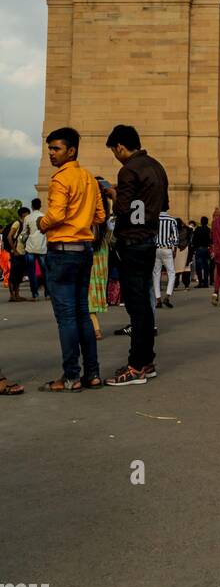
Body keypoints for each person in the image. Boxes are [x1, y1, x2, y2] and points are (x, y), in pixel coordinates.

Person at [37, 127, 105, 391]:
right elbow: (100, 216)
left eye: (56, 148)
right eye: (50, 149)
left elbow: (55, 215)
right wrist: (82, 219)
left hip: (62, 251)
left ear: (71, 150)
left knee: (66, 317)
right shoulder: (89, 178)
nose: (51, 154)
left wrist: (42, 224)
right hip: (84, 250)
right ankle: (93, 374)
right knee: (82, 315)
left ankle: (71, 377)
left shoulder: (60, 179)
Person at [103, 125, 168, 386]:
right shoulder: (157, 167)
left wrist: (112, 192)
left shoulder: (128, 169)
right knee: (145, 304)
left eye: (114, 151)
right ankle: (146, 361)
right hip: (149, 241)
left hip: (131, 243)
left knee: (136, 307)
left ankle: (136, 366)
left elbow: (122, 208)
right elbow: (163, 205)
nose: (116, 156)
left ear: (120, 146)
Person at [88, 217, 111, 341]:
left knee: (86, 301)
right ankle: (95, 329)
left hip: (87, 270)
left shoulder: (87, 228)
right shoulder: (103, 236)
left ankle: (95, 330)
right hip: (99, 272)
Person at [24, 197, 49, 300]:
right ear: (40, 206)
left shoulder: (27, 218)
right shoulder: (44, 217)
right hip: (42, 247)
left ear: (32, 206)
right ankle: (48, 294)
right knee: (45, 272)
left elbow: (24, 233)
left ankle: (35, 295)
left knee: (32, 272)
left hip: (30, 247)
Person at [153, 210, 178, 309]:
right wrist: (174, 250)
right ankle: (167, 296)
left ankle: (158, 299)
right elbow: (176, 238)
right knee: (171, 273)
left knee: (156, 274)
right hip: (167, 249)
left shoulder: (155, 220)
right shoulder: (172, 220)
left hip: (156, 249)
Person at [7, 207, 30, 302]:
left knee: (19, 275)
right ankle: (12, 296)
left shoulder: (25, 225)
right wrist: (14, 250)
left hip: (22, 253)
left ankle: (17, 294)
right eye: (27, 214)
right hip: (16, 253)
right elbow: (9, 237)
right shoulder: (17, 223)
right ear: (23, 214)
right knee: (13, 275)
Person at [193, 216, 212, 287]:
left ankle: (200, 282)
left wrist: (195, 247)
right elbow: (210, 239)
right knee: (206, 266)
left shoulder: (197, 229)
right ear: (207, 222)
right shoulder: (209, 230)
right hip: (206, 249)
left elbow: (194, 239)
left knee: (199, 266)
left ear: (201, 222)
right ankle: (206, 283)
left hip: (199, 249)